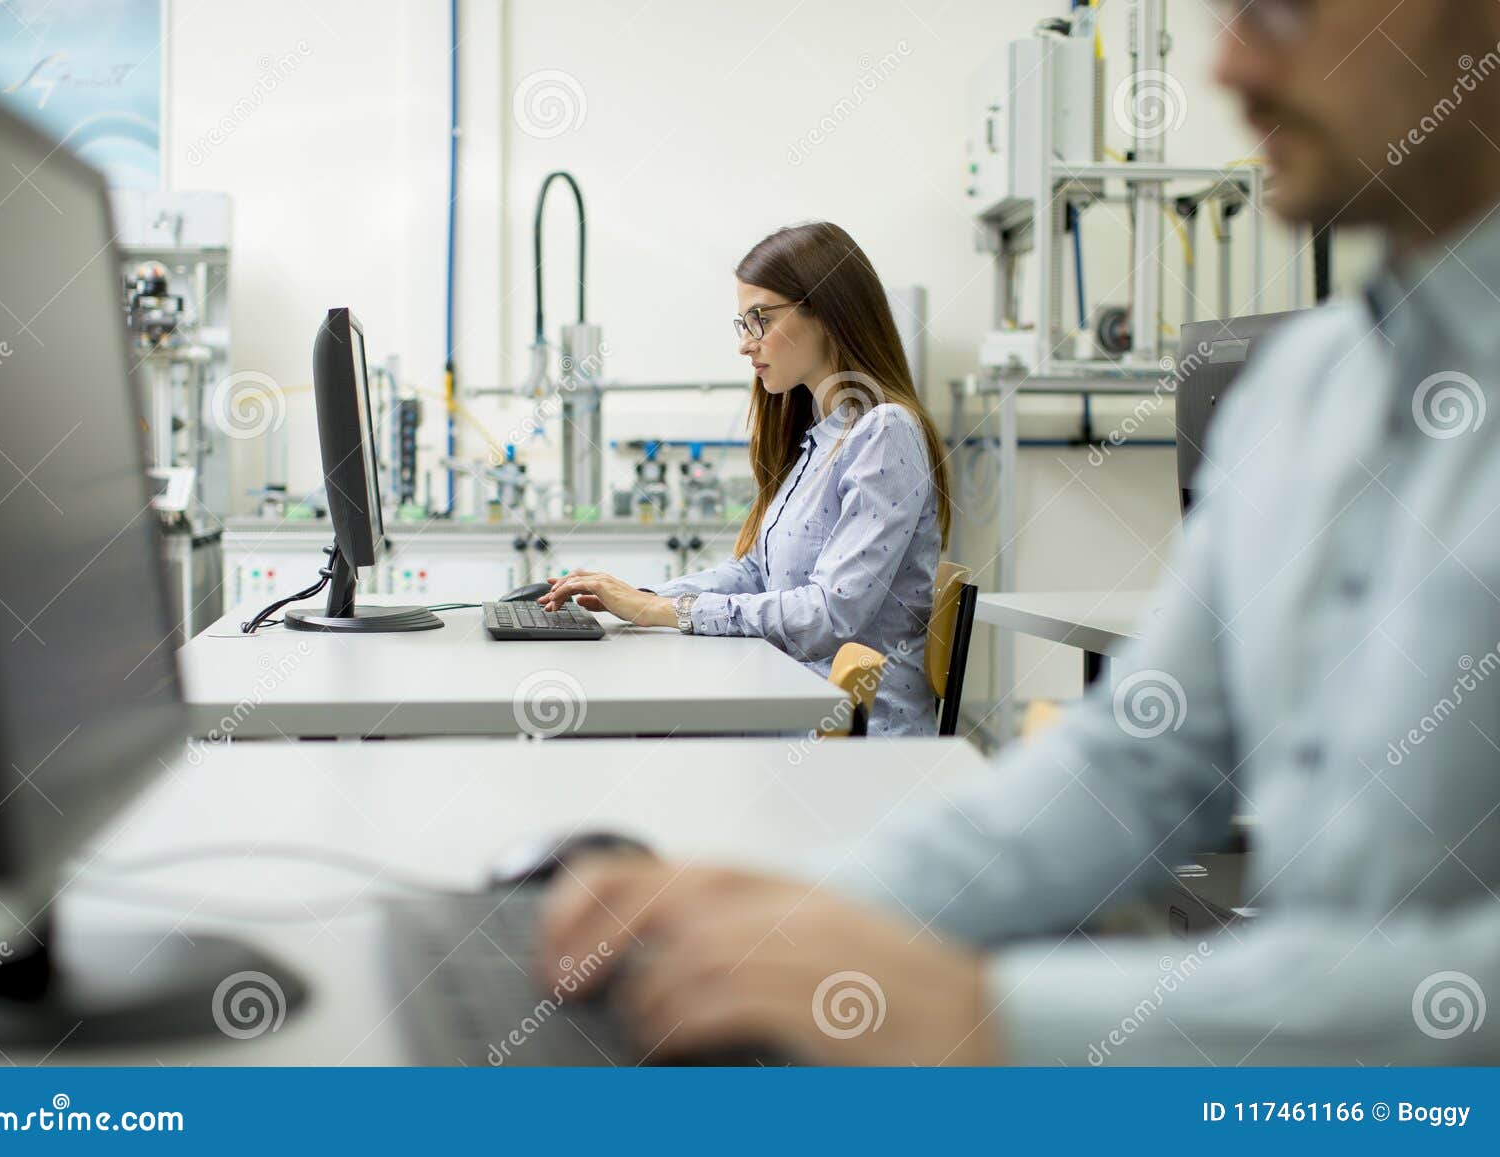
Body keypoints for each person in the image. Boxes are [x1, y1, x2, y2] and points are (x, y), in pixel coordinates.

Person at [538, 0, 1500, 1065]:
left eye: (1281, 9)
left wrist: (992, 1015)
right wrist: (794, 914)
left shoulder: (884, 432)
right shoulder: (1299, 392)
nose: (1225, 63)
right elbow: (1139, 762)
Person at [539, 222, 952, 736]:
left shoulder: (884, 432)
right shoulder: (818, 440)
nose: (746, 344)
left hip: (853, 741)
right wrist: (634, 597)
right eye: (744, 323)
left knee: (617, 736)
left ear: (827, 312)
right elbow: (757, 573)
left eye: (761, 319)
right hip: (793, 709)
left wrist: (664, 611)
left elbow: (830, 614)